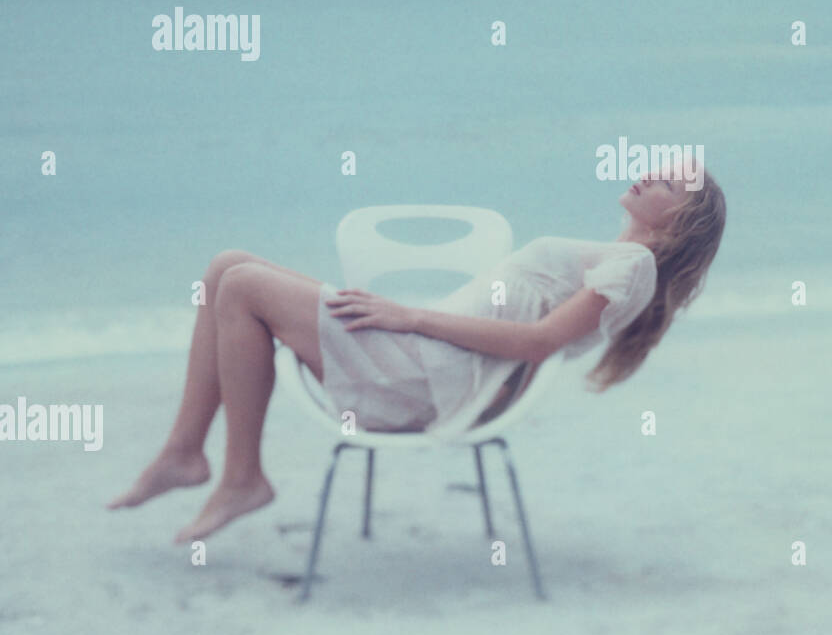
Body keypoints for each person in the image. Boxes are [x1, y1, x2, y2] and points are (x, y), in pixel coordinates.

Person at [107, 159, 726, 544]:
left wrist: (411, 316)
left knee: (240, 285)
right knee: (225, 267)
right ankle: (184, 453)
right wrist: (408, 321)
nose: (649, 172)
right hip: (423, 355)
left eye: (668, 180)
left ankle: (242, 476)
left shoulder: (635, 264)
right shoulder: (621, 257)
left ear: (680, 220)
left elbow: (539, 343)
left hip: (429, 376)